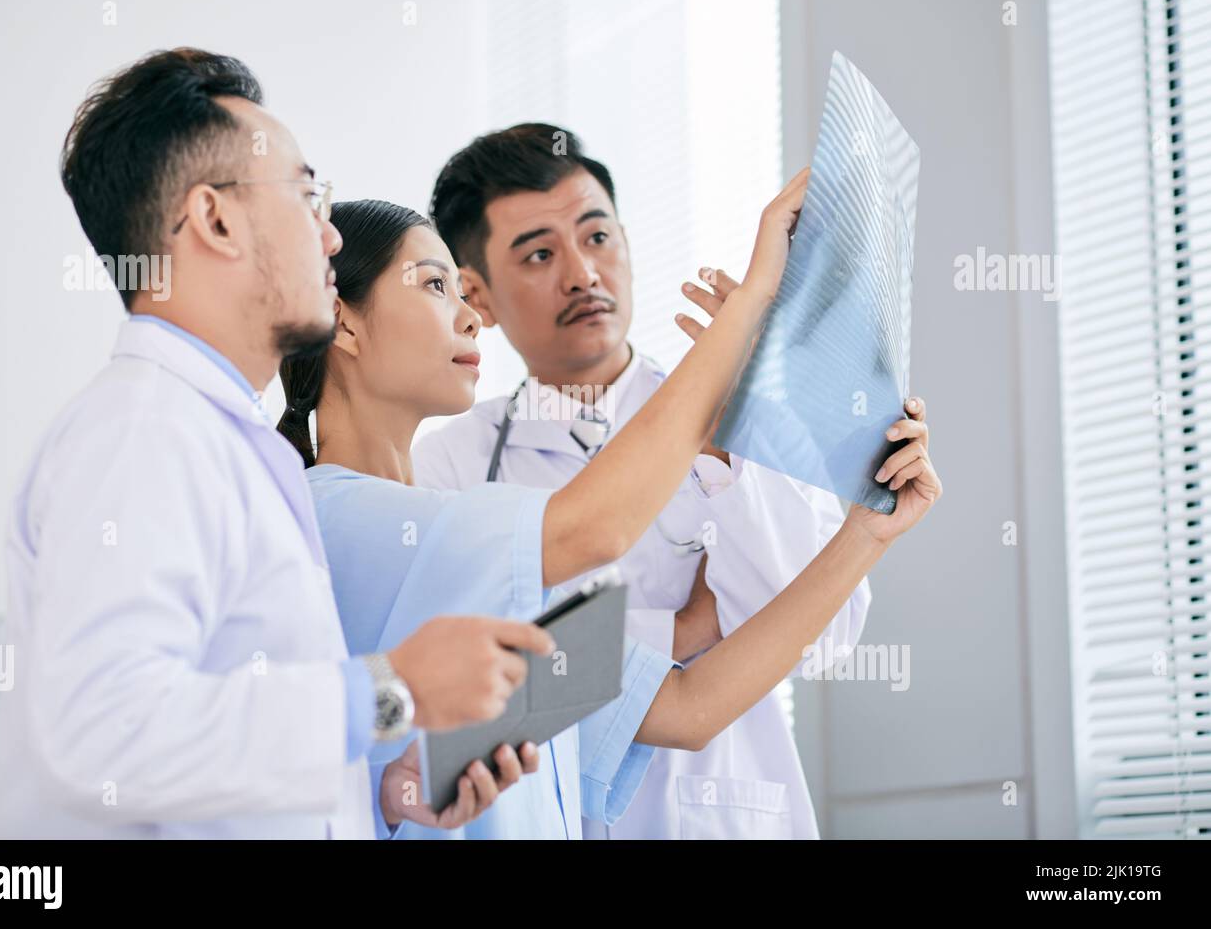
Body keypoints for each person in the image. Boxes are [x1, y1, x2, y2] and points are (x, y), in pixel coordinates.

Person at [0, 48, 550, 840]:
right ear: (215, 219)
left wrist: (384, 795)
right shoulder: (143, 431)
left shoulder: (226, 439)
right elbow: (104, 731)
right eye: (305, 195)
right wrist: (390, 690)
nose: (328, 236)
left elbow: (219, 739)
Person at [278, 188, 940, 839]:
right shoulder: (328, 519)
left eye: (459, 289)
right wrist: (752, 302)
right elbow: (593, 528)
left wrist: (867, 532)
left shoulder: (478, 556)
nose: (469, 316)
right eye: (432, 285)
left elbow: (689, 707)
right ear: (344, 320)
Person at [413, 122, 881, 838]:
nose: (583, 274)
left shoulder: (749, 406)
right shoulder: (451, 463)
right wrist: (690, 624)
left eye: (597, 237)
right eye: (540, 253)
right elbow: (484, 681)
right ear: (474, 292)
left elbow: (826, 638)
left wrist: (726, 447)